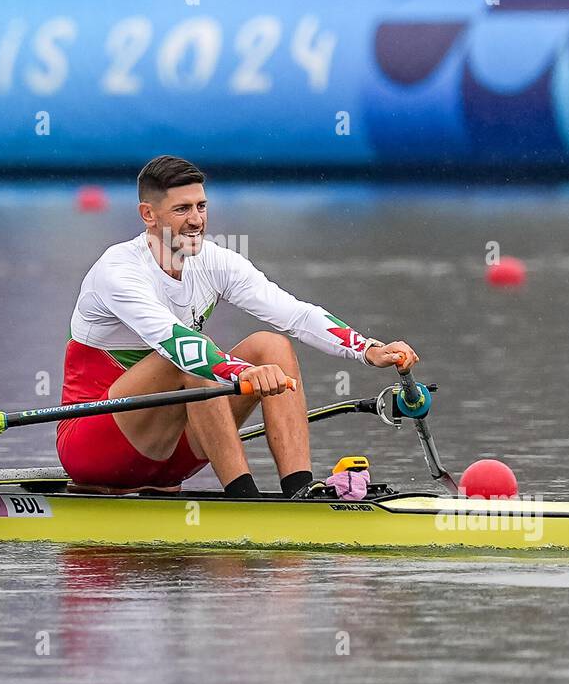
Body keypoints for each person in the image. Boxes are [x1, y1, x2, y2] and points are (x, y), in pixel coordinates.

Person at [56, 155, 417, 497]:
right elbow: (177, 344)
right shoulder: (118, 271)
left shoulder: (216, 262)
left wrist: (367, 349)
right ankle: (243, 496)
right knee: (193, 356)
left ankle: (299, 490)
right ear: (148, 214)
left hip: (172, 452)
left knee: (270, 346)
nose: (196, 220)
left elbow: (297, 315)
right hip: (94, 447)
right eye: (182, 209)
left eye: (201, 206)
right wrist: (245, 373)